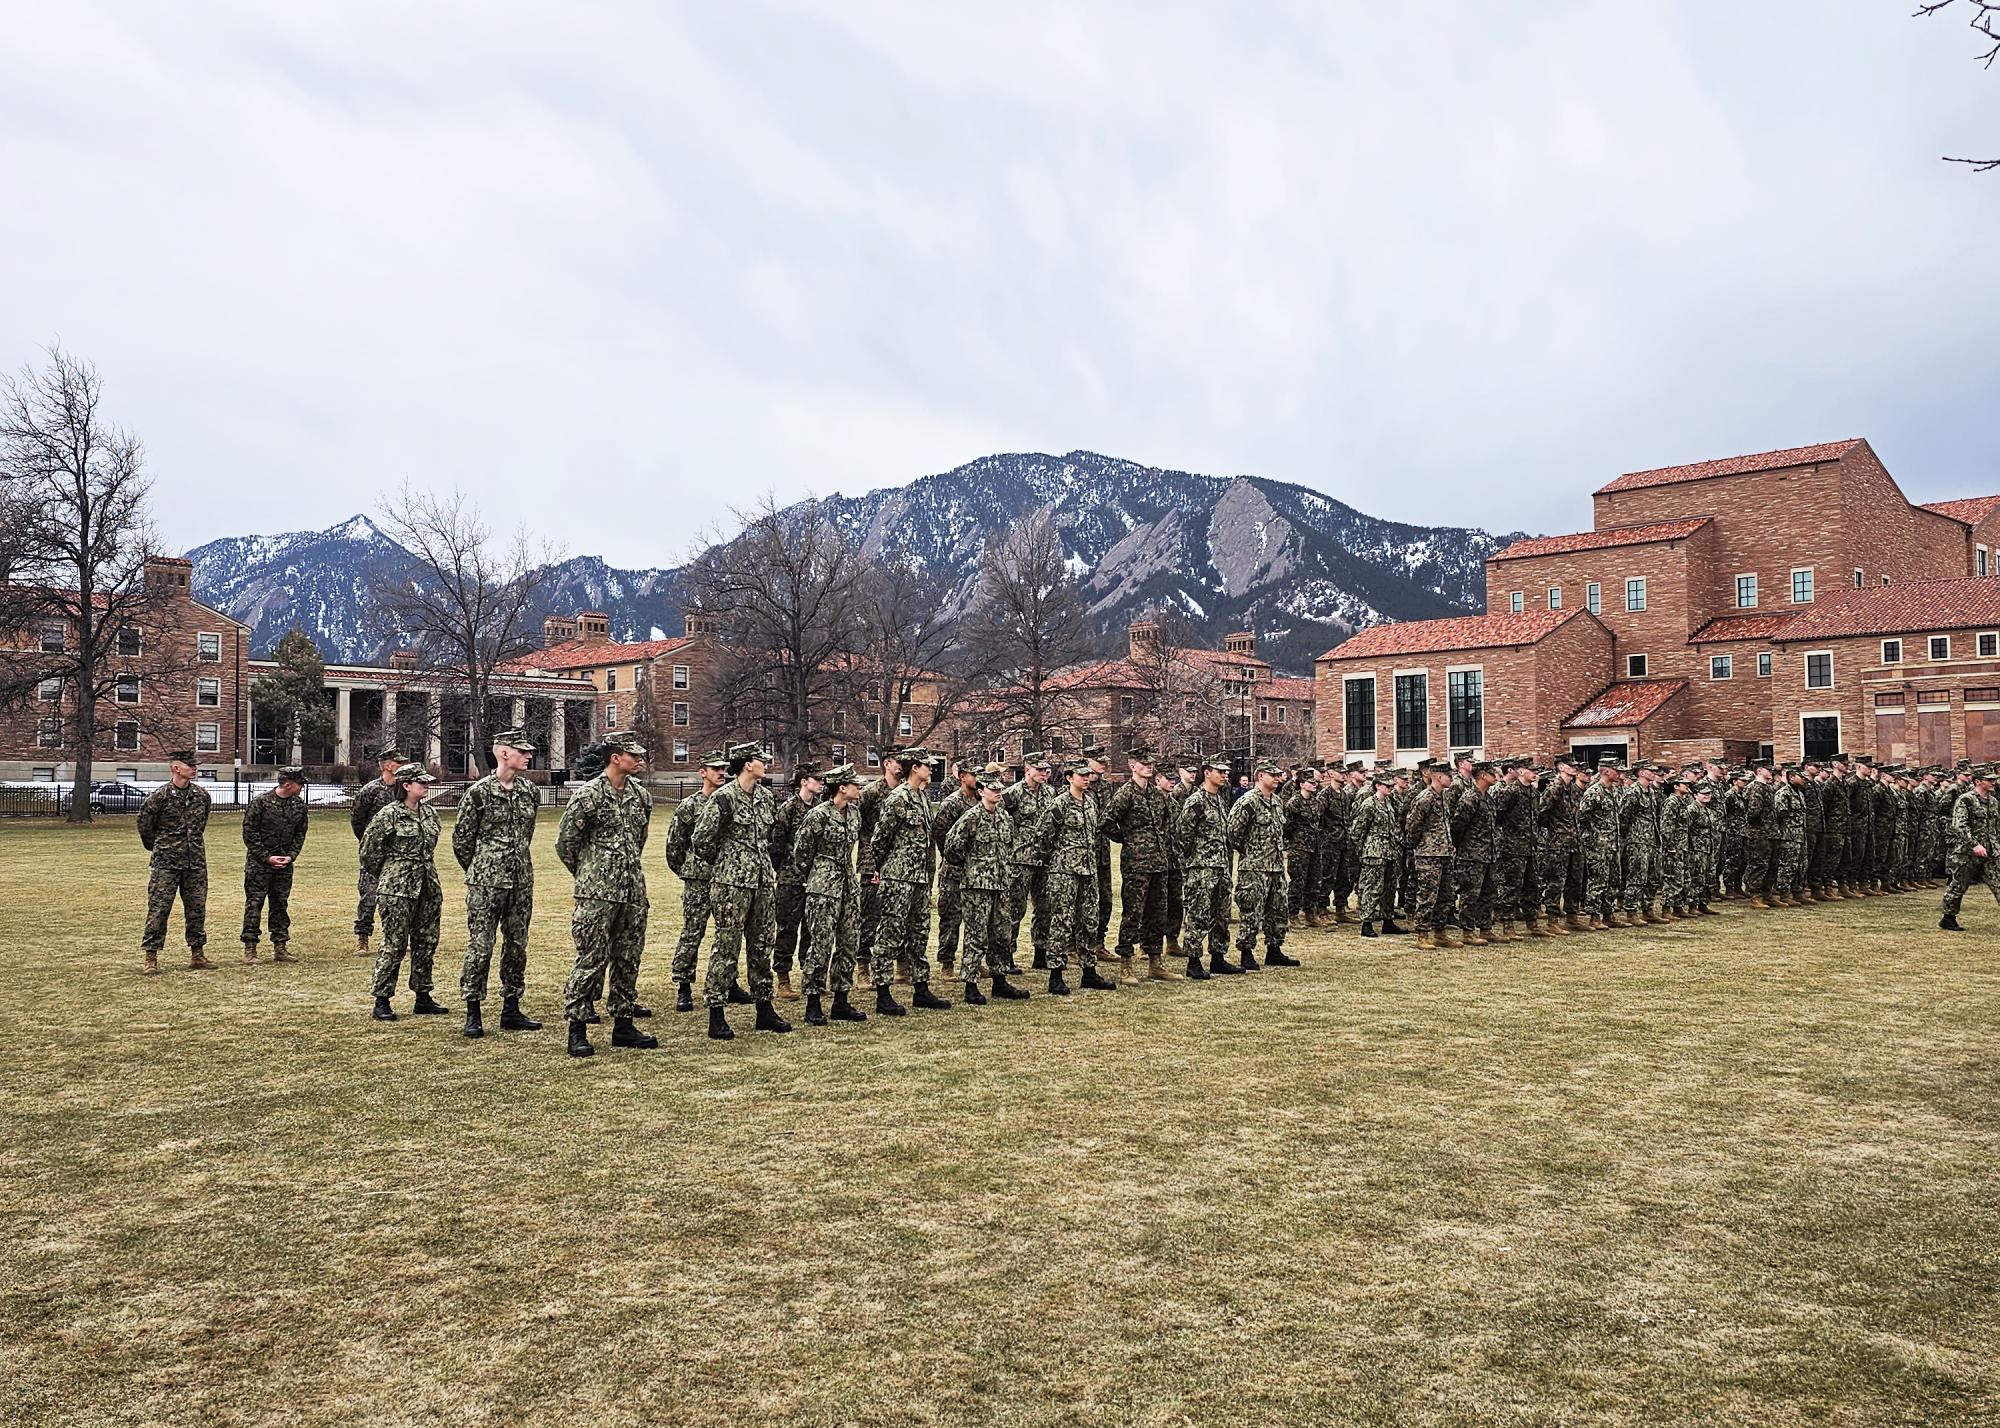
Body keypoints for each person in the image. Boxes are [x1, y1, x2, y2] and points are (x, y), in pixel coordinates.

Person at [555, 734, 656, 1057]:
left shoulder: (641, 796)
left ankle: (623, 1024)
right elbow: (566, 844)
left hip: (631, 891)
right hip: (596, 893)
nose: (639, 760)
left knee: (628, 958)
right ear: (615, 757)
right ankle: (578, 1028)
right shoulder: (588, 795)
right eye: (633, 755)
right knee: (591, 960)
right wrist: (590, 874)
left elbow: (637, 841)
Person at [453, 728, 543, 1038]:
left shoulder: (530, 792)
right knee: (481, 946)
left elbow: (526, 834)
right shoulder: (478, 793)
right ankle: (473, 1011)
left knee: (517, 946)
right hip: (486, 883)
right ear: (504, 753)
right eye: (522, 751)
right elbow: (462, 840)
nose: (528, 755)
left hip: (520, 880)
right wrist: (483, 868)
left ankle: (511, 1008)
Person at [694, 742, 788, 1039]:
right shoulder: (724, 798)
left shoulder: (766, 797)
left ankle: (764, 1008)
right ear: (748, 764)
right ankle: (716, 1012)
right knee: (727, 947)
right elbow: (702, 840)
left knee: (762, 946)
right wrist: (727, 865)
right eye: (761, 759)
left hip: (761, 883)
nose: (766, 763)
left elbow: (770, 838)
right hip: (731, 885)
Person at [361, 761, 448, 1021]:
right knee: (395, 944)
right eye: (421, 782)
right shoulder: (389, 814)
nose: (426, 786)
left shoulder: (430, 813)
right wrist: (390, 874)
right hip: (397, 888)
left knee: (426, 942)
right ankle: (382, 999)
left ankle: (423, 996)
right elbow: (369, 851)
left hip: (427, 886)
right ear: (406, 785)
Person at [790, 764, 868, 1025]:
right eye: (855, 784)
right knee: (821, 944)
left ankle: (841, 1000)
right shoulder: (819, 815)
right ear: (842, 788)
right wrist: (816, 876)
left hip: (848, 884)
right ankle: (813, 1001)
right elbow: (801, 852)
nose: (860, 788)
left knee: (848, 943)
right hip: (823, 887)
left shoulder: (855, 813)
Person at [943, 771, 1031, 1003]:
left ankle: (999, 979)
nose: (997, 792)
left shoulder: (1004, 818)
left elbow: (1009, 845)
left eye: (999, 789)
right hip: (977, 887)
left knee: (1001, 933)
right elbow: (952, 846)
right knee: (976, 934)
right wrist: (972, 868)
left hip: (1001, 885)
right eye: (992, 789)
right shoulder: (971, 817)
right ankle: (970, 984)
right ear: (981, 792)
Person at [872, 747, 948, 1014]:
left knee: (919, 933)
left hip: (919, 879)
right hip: (898, 877)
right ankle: (882, 992)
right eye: (927, 765)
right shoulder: (898, 798)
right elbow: (880, 840)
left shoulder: (923, 798)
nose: (931, 768)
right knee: (890, 934)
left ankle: (921, 988)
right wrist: (878, 871)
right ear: (914, 768)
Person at [1102, 744, 1178, 983]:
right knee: (1133, 913)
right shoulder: (1125, 793)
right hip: (1137, 864)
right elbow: (1106, 822)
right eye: (1144, 764)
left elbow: (1166, 822)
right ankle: (1126, 964)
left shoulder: (1156, 795)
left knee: (1158, 913)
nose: (1148, 767)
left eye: (1150, 764)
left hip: (1159, 862)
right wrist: (1127, 839)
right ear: (1132, 766)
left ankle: (1155, 962)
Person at [1037, 760, 1111, 994]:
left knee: (1089, 921)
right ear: (1069, 778)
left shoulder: (1089, 803)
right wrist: (1057, 862)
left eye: (1088, 774)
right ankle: (1056, 974)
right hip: (1064, 873)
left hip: (1088, 871)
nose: (1086, 778)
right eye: (1081, 775)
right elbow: (1043, 836)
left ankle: (1089, 971)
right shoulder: (1059, 805)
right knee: (1061, 921)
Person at [138, 750, 213, 973]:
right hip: (166, 863)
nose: (194, 768)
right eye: (189, 765)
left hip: (195, 862)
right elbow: (145, 825)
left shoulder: (201, 796)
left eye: (195, 765)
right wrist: (161, 847)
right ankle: (151, 957)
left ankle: (197, 954)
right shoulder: (159, 797)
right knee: (159, 909)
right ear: (176, 768)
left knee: (197, 909)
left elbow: (201, 825)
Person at [666, 750, 730, 1013]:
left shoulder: (729, 802)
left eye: (724, 769)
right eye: (715, 769)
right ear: (702, 772)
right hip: (698, 878)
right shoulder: (690, 806)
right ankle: (684, 985)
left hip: (726, 876)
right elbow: (674, 846)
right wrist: (688, 869)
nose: (721, 773)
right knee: (693, 932)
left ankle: (729, 981)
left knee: (728, 933)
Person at [1229, 759, 1296, 967]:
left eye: (1278, 775)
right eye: (1272, 775)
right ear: (1260, 776)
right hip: (1254, 867)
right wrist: (1250, 852)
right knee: (1251, 911)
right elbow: (1233, 832)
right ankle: (1246, 952)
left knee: (1278, 910)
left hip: (1275, 866)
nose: (1277, 779)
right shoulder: (1248, 801)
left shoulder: (1276, 802)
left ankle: (1274, 949)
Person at [240, 764, 307, 963]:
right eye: (299, 783)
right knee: (254, 904)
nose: (301, 787)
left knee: (280, 905)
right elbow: (249, 834)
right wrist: (266, 857)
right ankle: (250, 949)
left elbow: (300, 833)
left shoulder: (299, 805)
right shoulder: (261, 803)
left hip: (284, 865)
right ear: (287, 784)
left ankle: (280, 947)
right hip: (259, 865)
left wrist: (291, 856)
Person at [1177, 755, 1234, 977]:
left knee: (1221, 914)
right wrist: (1195, 860)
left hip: (1220, 866)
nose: (1224, 775)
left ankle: (1218, 957)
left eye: (1226, 771)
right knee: (1198, 914)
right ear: (1207, 772)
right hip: (1201, 868)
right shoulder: (1196, 801)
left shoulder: (1219, 799)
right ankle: (1193, 961)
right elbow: (1183, 834)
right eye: (1220, 771)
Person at [770, 764, 823, 1000]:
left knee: (811, 929)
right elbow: (776, 845)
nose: (820, 783)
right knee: (787, 929)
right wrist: (783, 872)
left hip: (813, 878)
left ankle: (809, 976)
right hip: (790, 879)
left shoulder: (820, 809)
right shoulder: (788, 809)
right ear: (803, 781)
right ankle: (783, 979)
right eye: (816, 779)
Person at [349, 747, 407, 956]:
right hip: (373, 854)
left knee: (396, 897)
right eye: (399, 763)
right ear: (389, 766)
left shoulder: (404, 789)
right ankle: (362, 939)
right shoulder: (370, 790)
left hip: (398, 853)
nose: (403, 766)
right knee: (369, 895)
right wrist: (368, 845)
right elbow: (357, 820)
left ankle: (394, 938)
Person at [855, 749, 907, 976]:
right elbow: (854, 821)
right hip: (872, 862)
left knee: (900, 915)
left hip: (899, 862)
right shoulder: (871, 792)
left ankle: (902, 964)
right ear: (887, 763)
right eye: (898, 762)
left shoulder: (908, 792)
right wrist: (868, 860)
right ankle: (863, 966)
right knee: (870, 916)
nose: (902, 767)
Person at [1002, 752, 1055, 970]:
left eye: (1046, 770)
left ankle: (1040, 952)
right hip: (1020, 860)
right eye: (1039, 769)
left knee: (1045, 907)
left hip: (1044, 859)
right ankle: (1007, 954)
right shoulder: (1011, 794)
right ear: (1027, 770)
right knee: (1015, 908)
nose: (1044, 773)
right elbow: (1001, 823)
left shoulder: (1050, 793)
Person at [930, 762, 981, 979]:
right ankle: (947, 963)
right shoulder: (952, 803)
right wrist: (954, 856)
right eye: (973, 774)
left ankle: (973, 961)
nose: (977, 778)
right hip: (954, 869)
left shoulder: (981, 800)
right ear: (962, 777)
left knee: (977, 918)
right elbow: (940, 832)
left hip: (977, 870)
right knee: (951, 916)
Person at [1404, 762, 1458, 950]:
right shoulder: (1424, 798)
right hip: (1428, 854)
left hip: (1444, 853)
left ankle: (1440, 933)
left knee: (1446, 895)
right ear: (1437, 777)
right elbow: (1412, 827)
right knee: (1427, 895)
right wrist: (1418, 847)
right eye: (1448, 775)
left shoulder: (1444, 797)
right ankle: (1422, 934)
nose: (1451, 778)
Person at [1939, 767, 2000, 930]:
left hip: (1990, 852)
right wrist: (1975, 844)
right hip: (1967, 853)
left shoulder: (1993, 801)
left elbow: (1995, 826)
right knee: (1958, 885)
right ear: (1978, 781)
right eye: (1990, 780)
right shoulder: (1965, 800)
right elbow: (1959, 826)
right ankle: (1948, 918)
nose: (1994, 782)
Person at [1450, 761, 1500, 944]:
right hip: (1472, 855)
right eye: (1491, 773)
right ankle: (1468, 931)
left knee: (1489, 892)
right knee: (1470, 894)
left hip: (1489, 853)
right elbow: (1457, 827)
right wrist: (1464, 847)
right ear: (1482, 776)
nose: (1495, 776)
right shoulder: (1470, 798)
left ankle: (1485, 928)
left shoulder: (1487, 797)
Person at [1350, 772, 1403, 939]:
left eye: (1390, 786)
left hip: (1389, 851)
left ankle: (1387, 920)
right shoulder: (1369, 804)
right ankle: (1367, 923)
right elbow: (1357, 831)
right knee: (1372, 887)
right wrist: (1363, 852)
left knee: (1389, 888)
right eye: (1386, 785)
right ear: (1378, 785)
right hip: (1374, 852)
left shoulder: (1388, 802)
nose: (1390, 788)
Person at [1576, 761, 1622, 931]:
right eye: (1616, 770)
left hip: (1613, 844)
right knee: (1598, 881)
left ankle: (1608, 914)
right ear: (1606, 771)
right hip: (1598, 845)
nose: (1619, 773)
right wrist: (1593, 837)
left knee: (1613, 880)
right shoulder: (1594, 792)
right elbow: (1581, 817)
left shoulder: (1614, 791)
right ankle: (1594, 916)